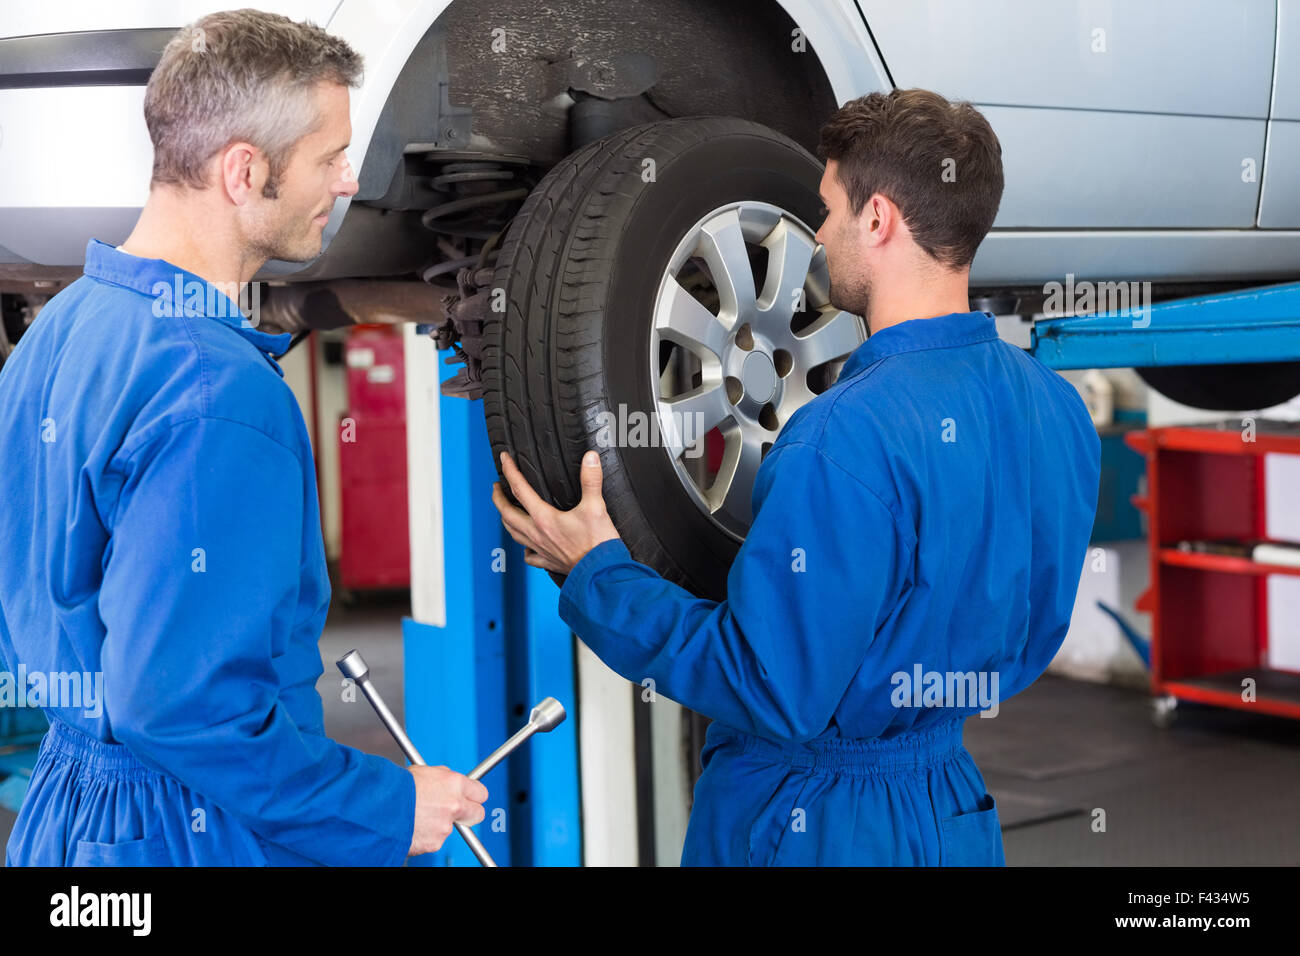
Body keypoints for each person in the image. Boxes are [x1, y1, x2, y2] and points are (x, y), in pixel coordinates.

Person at [492, 88, 1101, 866]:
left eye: (829, 210)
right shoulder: (1055, 409)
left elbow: (772, 686)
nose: (816, 235)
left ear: (877, 218)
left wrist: (598, 573)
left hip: (817, 823)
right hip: (952, 809)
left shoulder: (841, 437)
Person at [0, 10, 485, 866]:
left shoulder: (64, 326)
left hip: (69, 816)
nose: (346, 181)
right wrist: (387, 804)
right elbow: (181, 709)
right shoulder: (218, 394)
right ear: (244, 170)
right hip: (184, 829)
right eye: (330, 156)